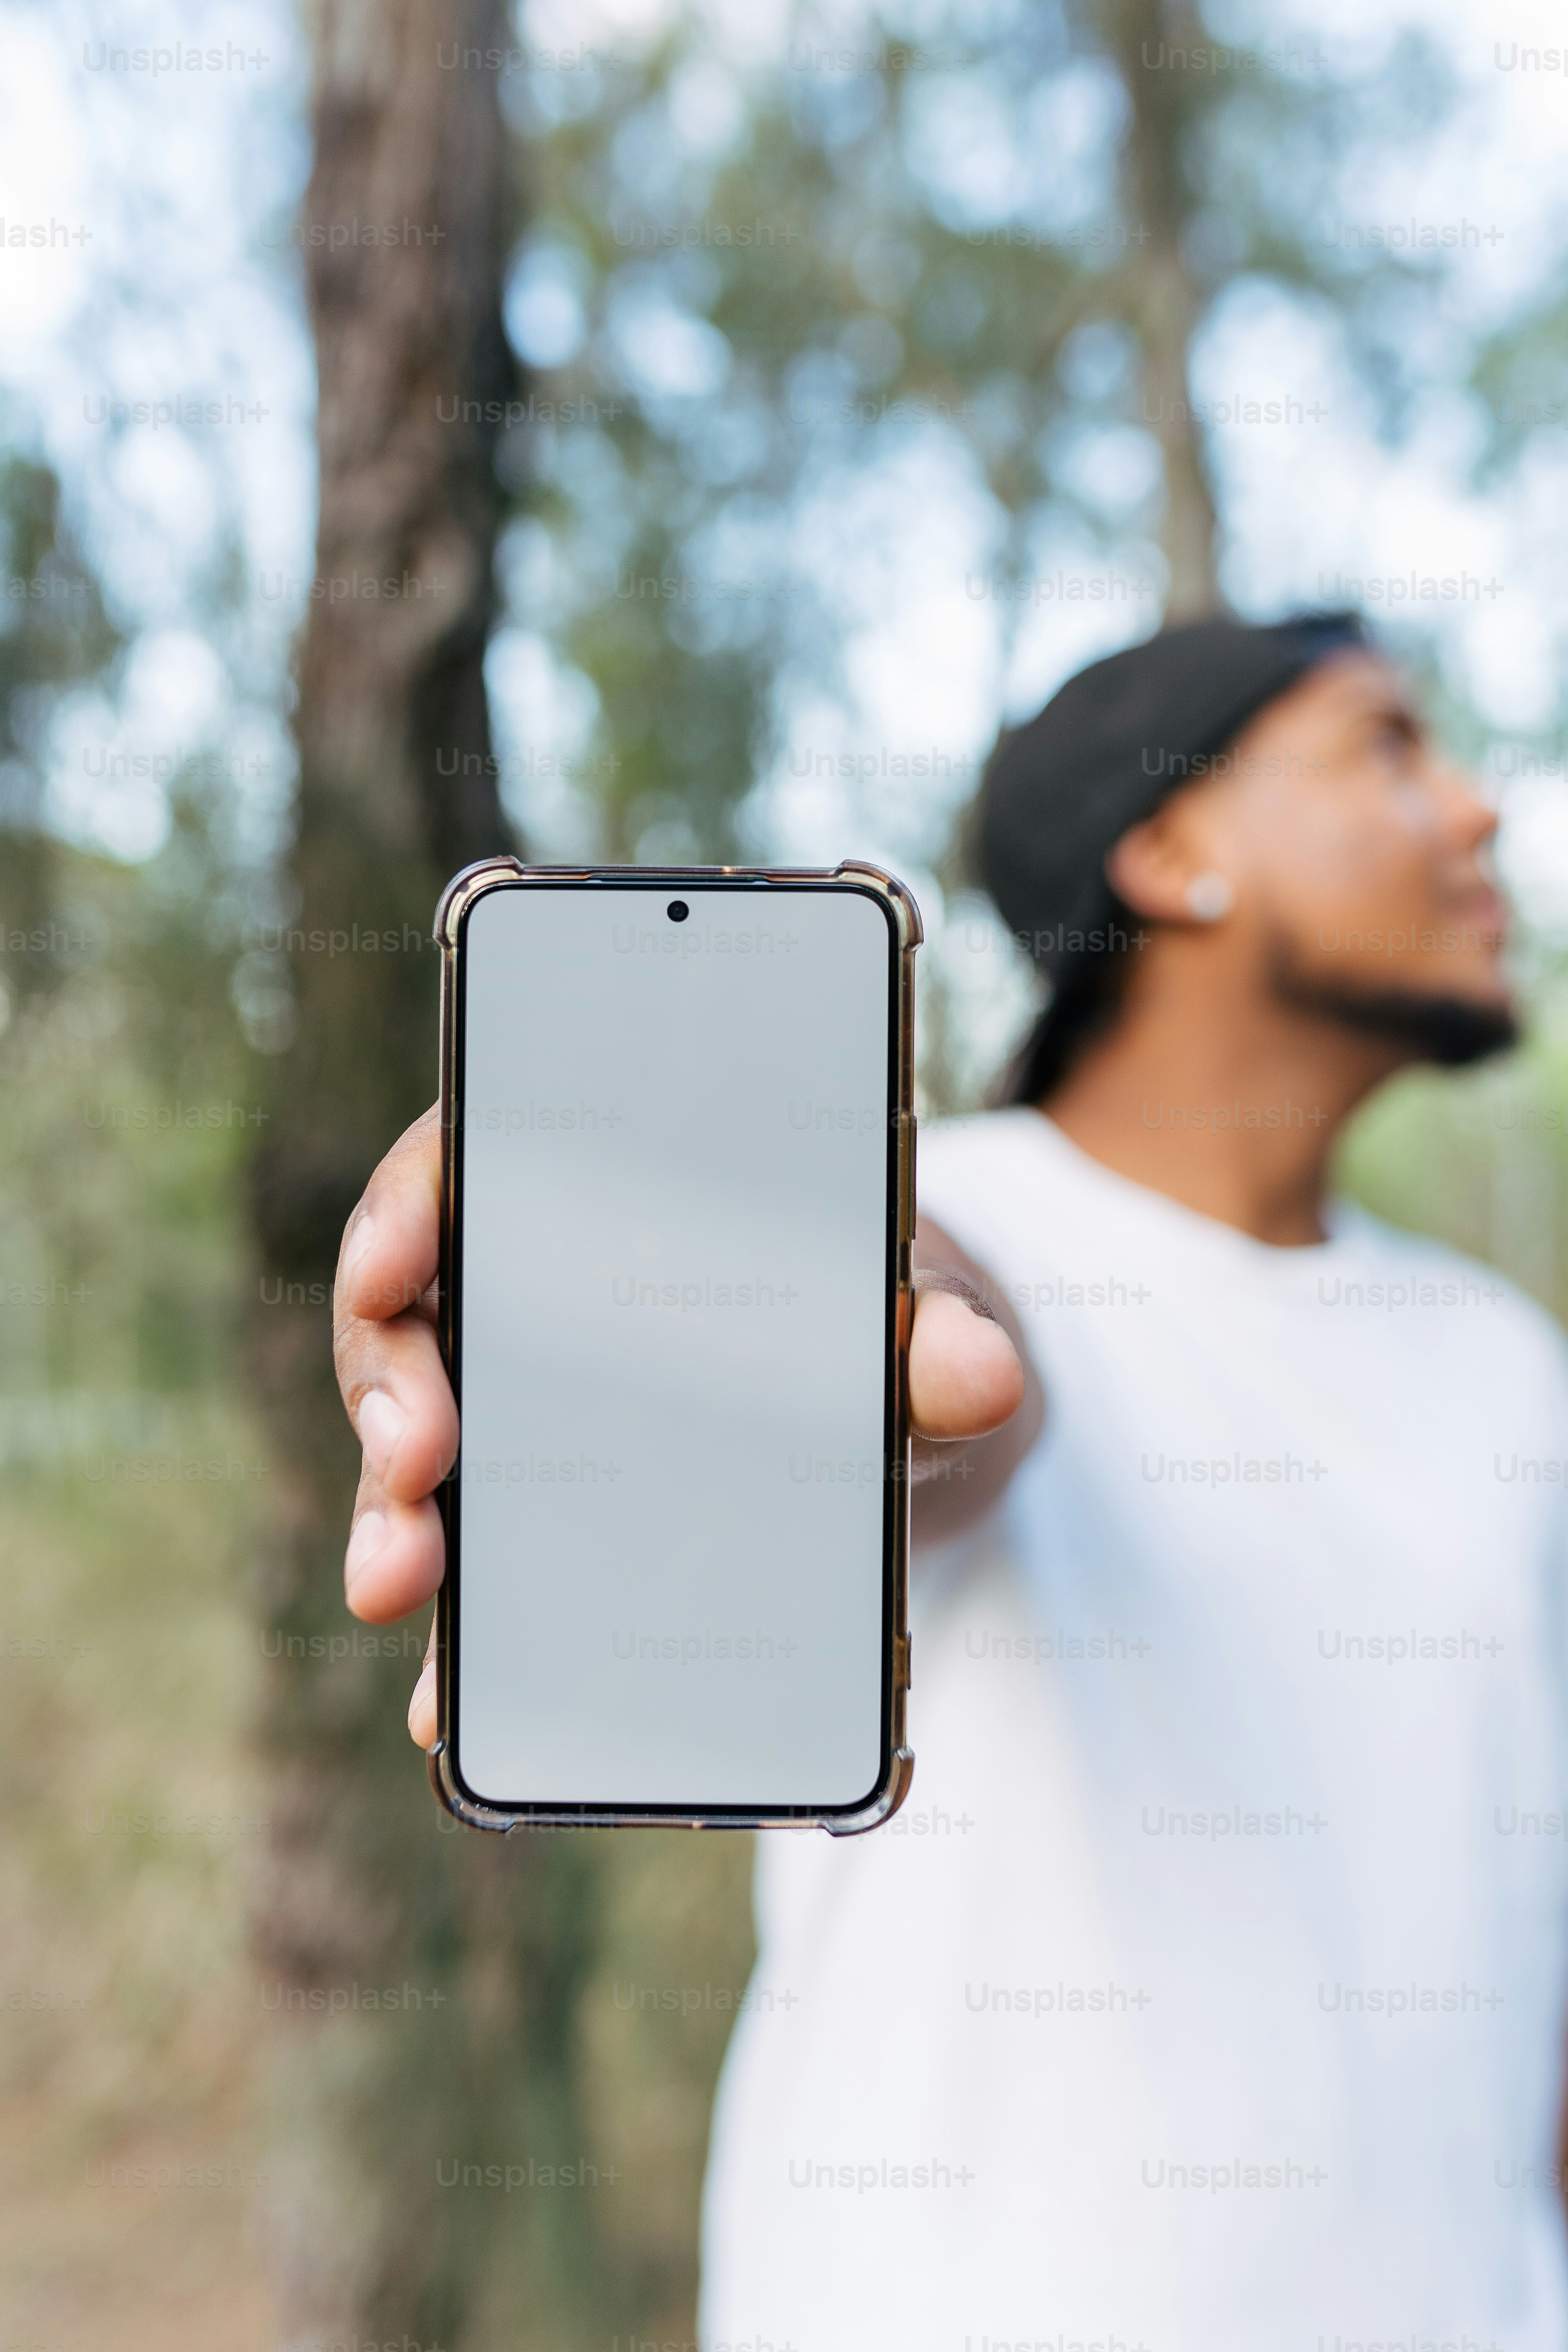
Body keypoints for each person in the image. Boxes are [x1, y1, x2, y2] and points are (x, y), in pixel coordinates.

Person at [332, 613, 1568, 2352]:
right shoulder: (984, 1234)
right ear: (1172, 849)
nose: (1477, 814)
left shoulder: (1507, 1361)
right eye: (1385, 746)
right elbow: (943, 1368)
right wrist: (687, 1231)